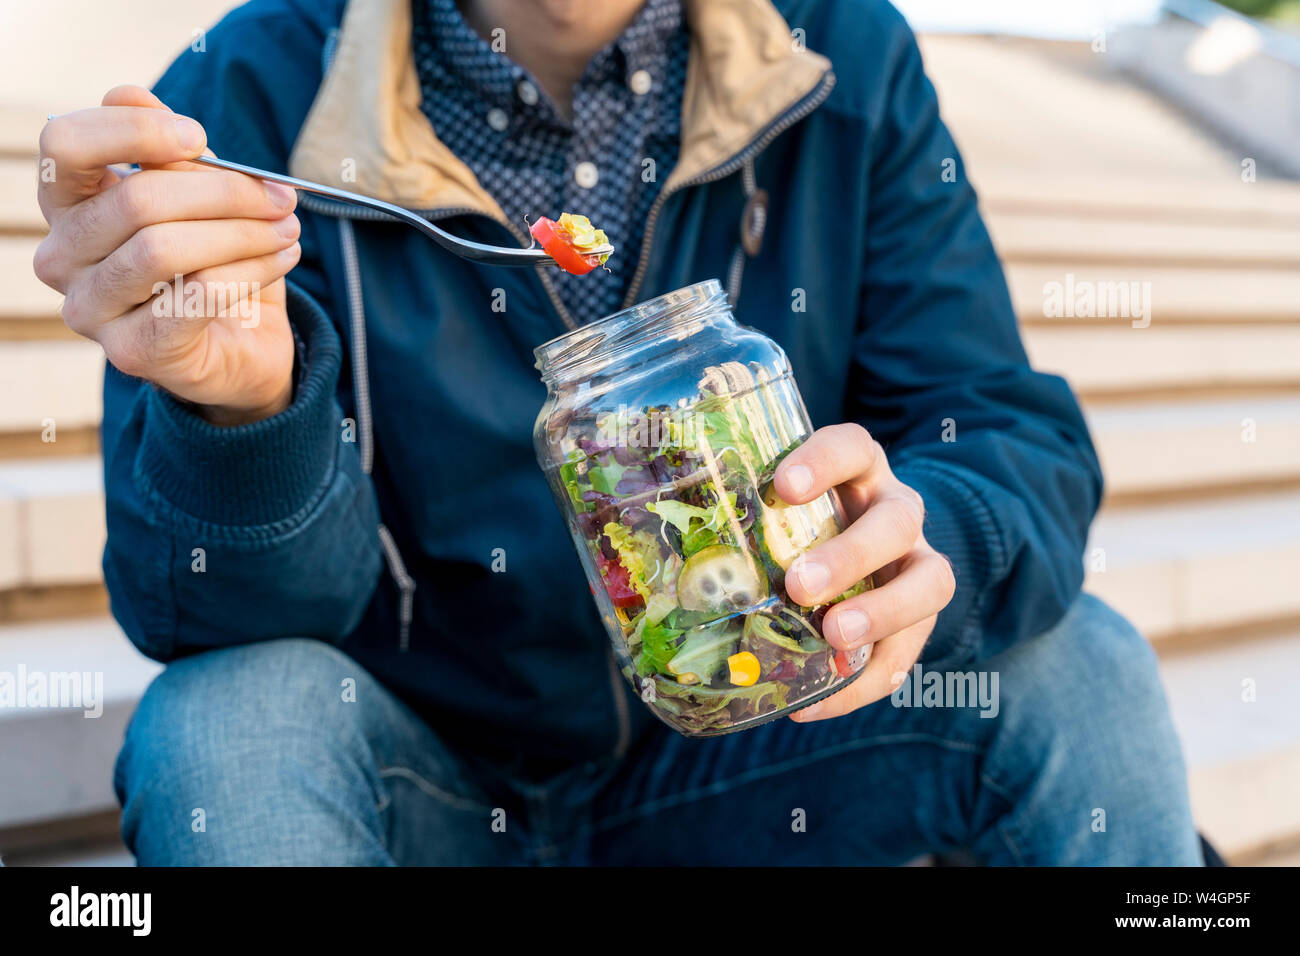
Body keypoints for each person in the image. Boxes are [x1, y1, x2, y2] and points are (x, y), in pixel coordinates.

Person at [33, 0, 1203, 865]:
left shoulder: (844, 54)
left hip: (750, 748)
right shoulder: (244, 91)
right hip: (424, 781)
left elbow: (999, 425)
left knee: (1078, 665)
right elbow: (202, 617)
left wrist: (922, 538)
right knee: (224, 723)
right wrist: (244, 412)